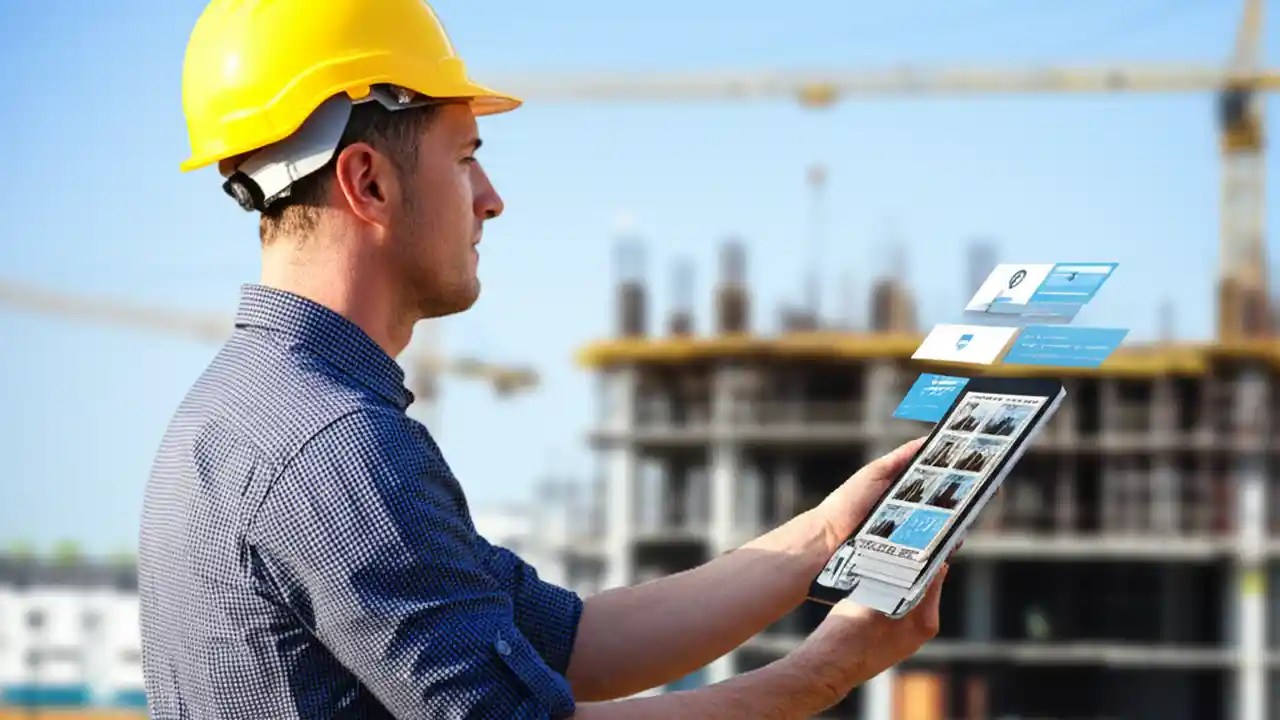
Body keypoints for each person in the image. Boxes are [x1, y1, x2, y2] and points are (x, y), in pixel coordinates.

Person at [136, 1, 950, 718]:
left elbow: (570, 643)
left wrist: (821, 536)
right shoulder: (337, 448)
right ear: (368, 183)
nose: (492, 197)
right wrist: (828, 672)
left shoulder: (241, 409)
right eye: (463, 157)